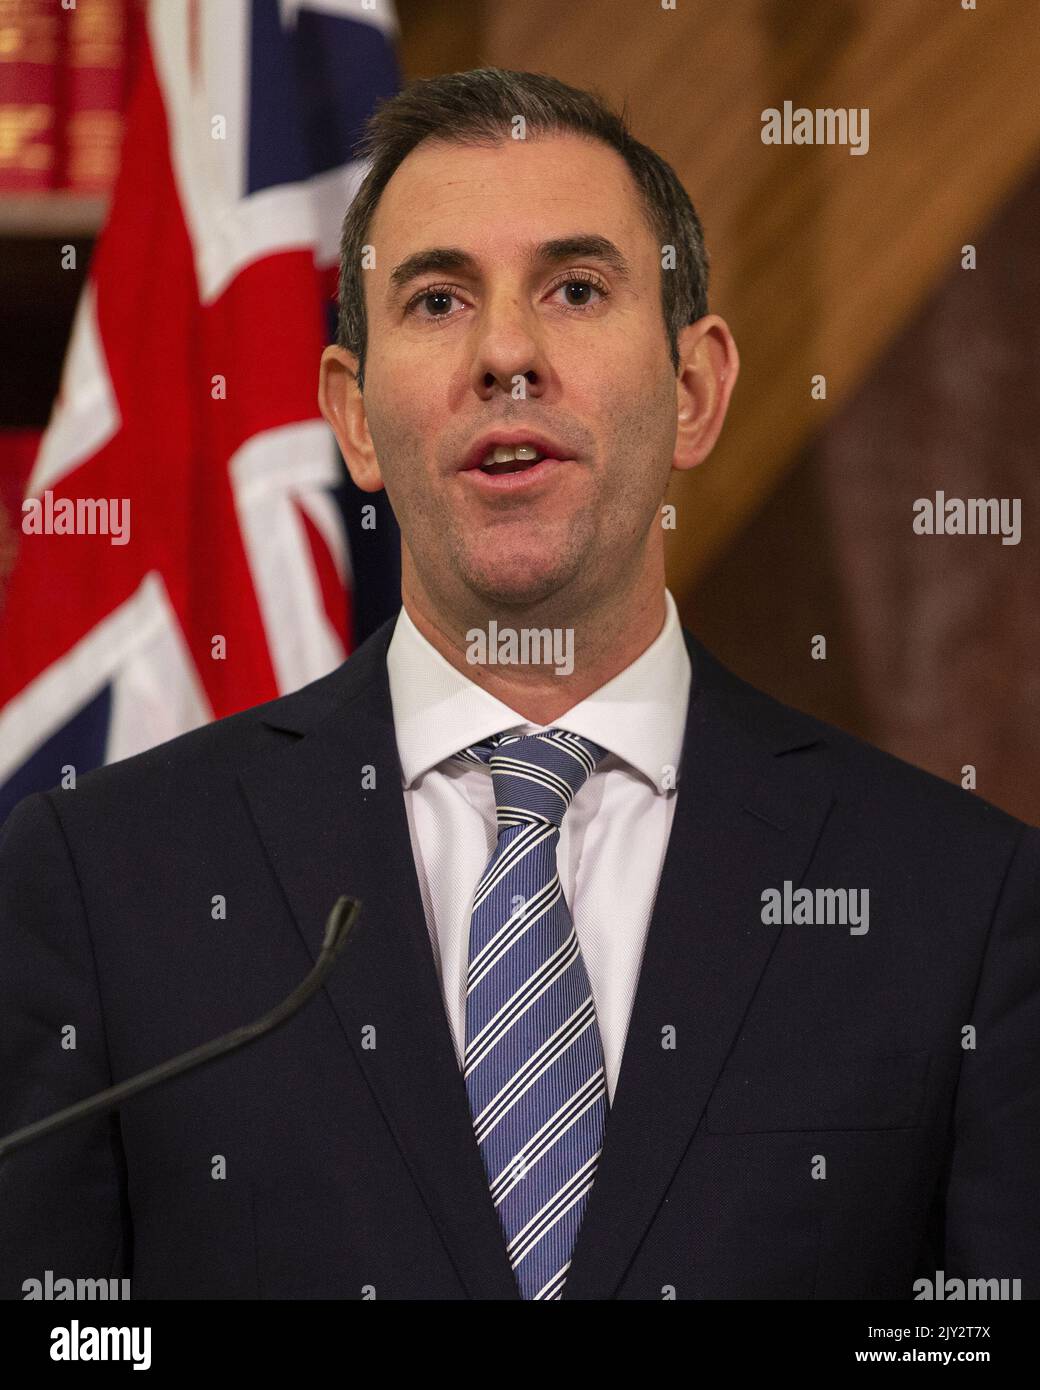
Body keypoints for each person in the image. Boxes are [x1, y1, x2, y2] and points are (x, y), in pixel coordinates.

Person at [1, 67, 1037, 1302]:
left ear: (695, 389)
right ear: (354, 421)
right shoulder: (108, 879)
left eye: (577, 289)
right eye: (437, 299)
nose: (505, 354)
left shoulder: (955, 904)